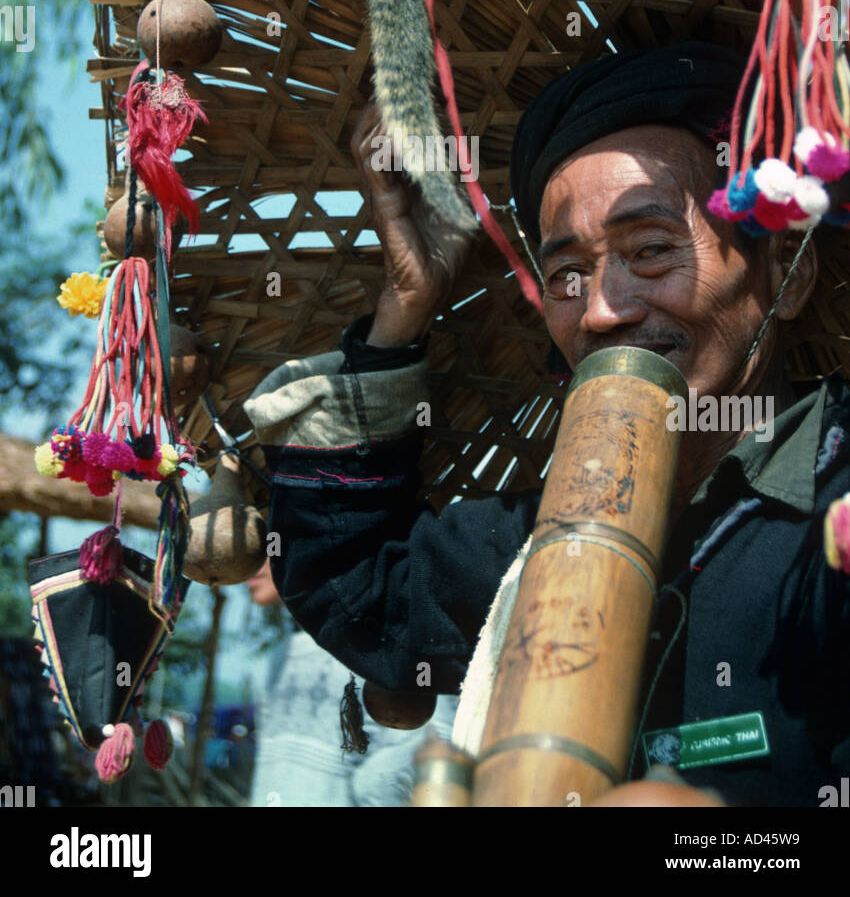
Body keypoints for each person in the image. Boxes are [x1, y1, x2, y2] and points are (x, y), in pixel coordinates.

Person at [244, 42, 850, 806]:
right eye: (567, 273)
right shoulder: (541, 539)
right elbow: (358, 588)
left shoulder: (838, 506)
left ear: (785, 272)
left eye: (652, 251)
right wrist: (406, 301)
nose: (601, 309)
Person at [247, 559, 456, 807]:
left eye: (271, 543)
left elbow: (432, 744)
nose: (256, 564)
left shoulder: (372, 644)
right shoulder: (282, 654)